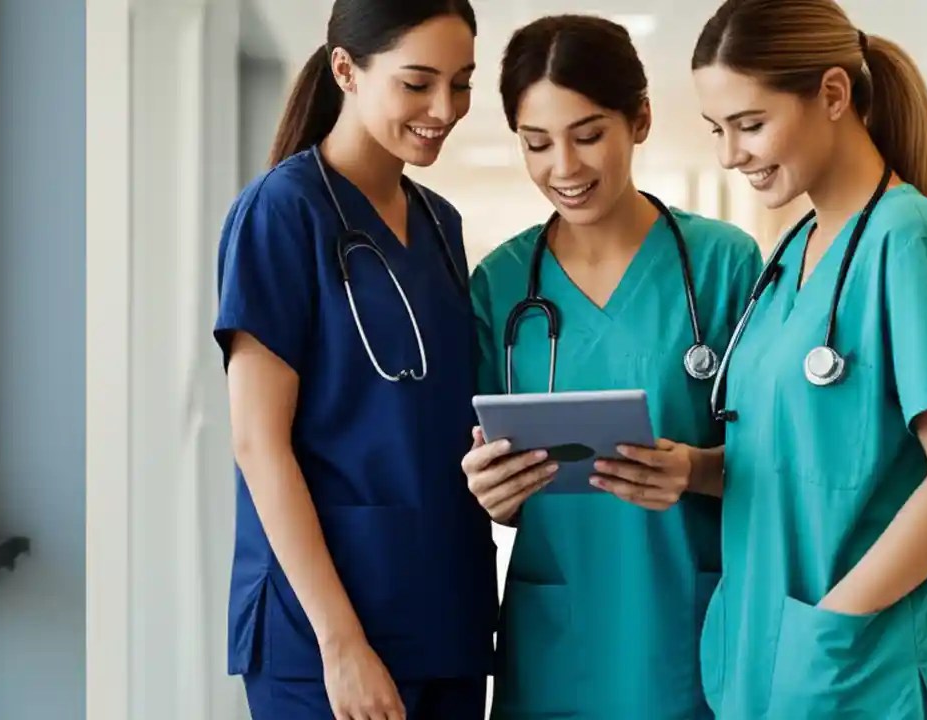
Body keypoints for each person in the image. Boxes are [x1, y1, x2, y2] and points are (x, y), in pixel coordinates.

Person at [689, 1, 927, 718]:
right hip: (779, 654)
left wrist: (833, 632)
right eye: (718, 130)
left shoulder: (909, 240)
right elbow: (801, 459)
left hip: (874, 665)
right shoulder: (791, 253)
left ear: (834, 94)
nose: (730, 153)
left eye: (750, 124)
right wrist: (688, 468)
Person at [463, 15, 764, 720]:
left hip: (686, 634)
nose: (563, 168)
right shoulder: (501, 285)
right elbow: (478, 474)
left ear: (641, 120)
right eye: (537, 144)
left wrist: (693, 468)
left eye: (589, 134)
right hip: (556, 641)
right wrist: (488, 492)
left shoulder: (724, 265)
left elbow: (779, 455)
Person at [212, 2, 496, 718]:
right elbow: (257, 442)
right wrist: (340, 642)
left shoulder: (440, 223)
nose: (444, 109)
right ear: (346, 69)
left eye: (461, 83)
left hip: (445, 612)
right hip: (328, 633)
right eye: (417, 82)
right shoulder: (282, 213)